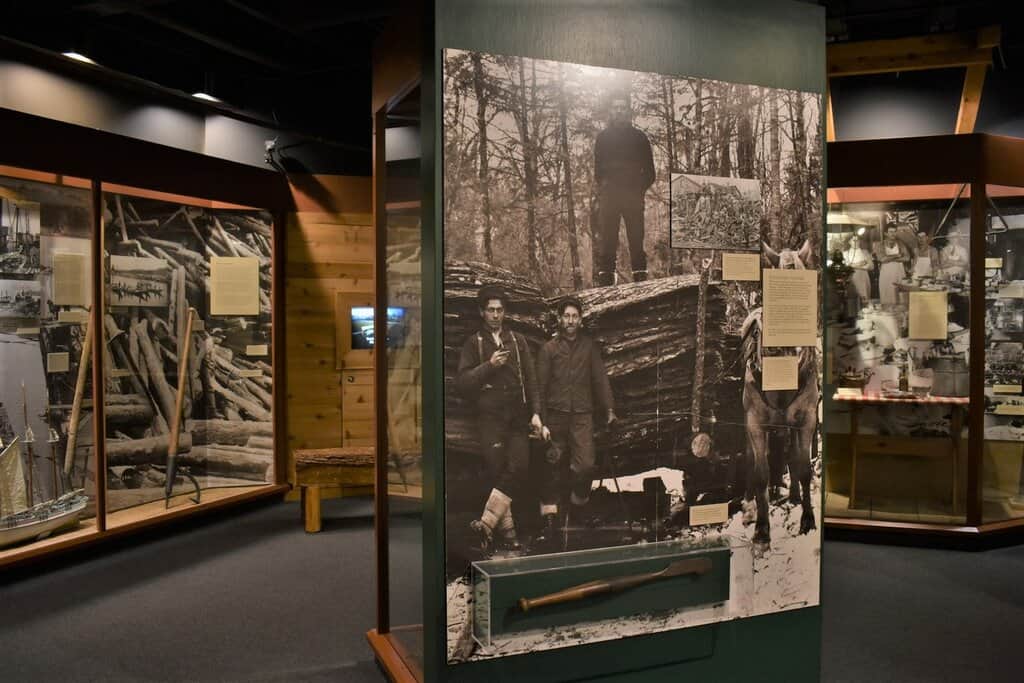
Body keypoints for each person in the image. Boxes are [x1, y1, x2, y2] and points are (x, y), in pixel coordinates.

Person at [455, 285, 542, 553]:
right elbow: (463, 383)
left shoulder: (517, 340)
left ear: (505, 313)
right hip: (489, 419)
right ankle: (510, 535)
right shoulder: (475, 343)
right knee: (498, 474)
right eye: (491, 310)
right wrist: (489, 366)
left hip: (517, 417)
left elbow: (532, 379)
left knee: (519, 468)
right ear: (482, 312)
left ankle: (486, 524)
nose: (495, 315)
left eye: (500, 310)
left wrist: (536, 413)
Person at [534, 298, 617, 547]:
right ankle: (550, 518)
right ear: (560, 319)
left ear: (580, 320)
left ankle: (578, 505)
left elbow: (600, 380)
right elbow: (539, 386)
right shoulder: (548, 349)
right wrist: (541, 419)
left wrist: (609, 409)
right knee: (551, 466)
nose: (570, 321)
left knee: (585, 466)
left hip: (582, 415)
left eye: (574, 317)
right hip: (555, 416)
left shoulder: (589, 348)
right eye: (566, 316)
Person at [594, 95, 655, 286]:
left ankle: (641, 284)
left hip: (633, 198)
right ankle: (606, 286)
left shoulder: (640, 138)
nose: (619, 110)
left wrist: (637, 191)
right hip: (610, 197)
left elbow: (650, 172)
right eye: (616, 107)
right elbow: (598, 171)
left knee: (636, 241)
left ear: (628, 111)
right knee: (608, 242)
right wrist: (606, 188)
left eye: (622, 107)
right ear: (612, 112)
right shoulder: (603, 138)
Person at [875, 225, 909, 306]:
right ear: (886, 233)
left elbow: (907, 258)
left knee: (900, 298)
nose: (893, 234)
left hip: (899, 274)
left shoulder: (901, 244)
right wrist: (897, 255)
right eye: (891, 232)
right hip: (886, 275)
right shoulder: (880, 244)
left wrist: (889, 258)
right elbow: (881, 259)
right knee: (887, 297)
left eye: (894, 231)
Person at [843, 233, 872, 302]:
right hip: (852, 278)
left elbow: (871, 266)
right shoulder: (845, 253)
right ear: (849, 242)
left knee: (865, 299)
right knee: (853, 300)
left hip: (863, 277)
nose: (856, 242)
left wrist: (853, 265)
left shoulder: (864, 252)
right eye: (854, 240)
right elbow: (846, 267)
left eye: (858, 240)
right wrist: (861, 263)